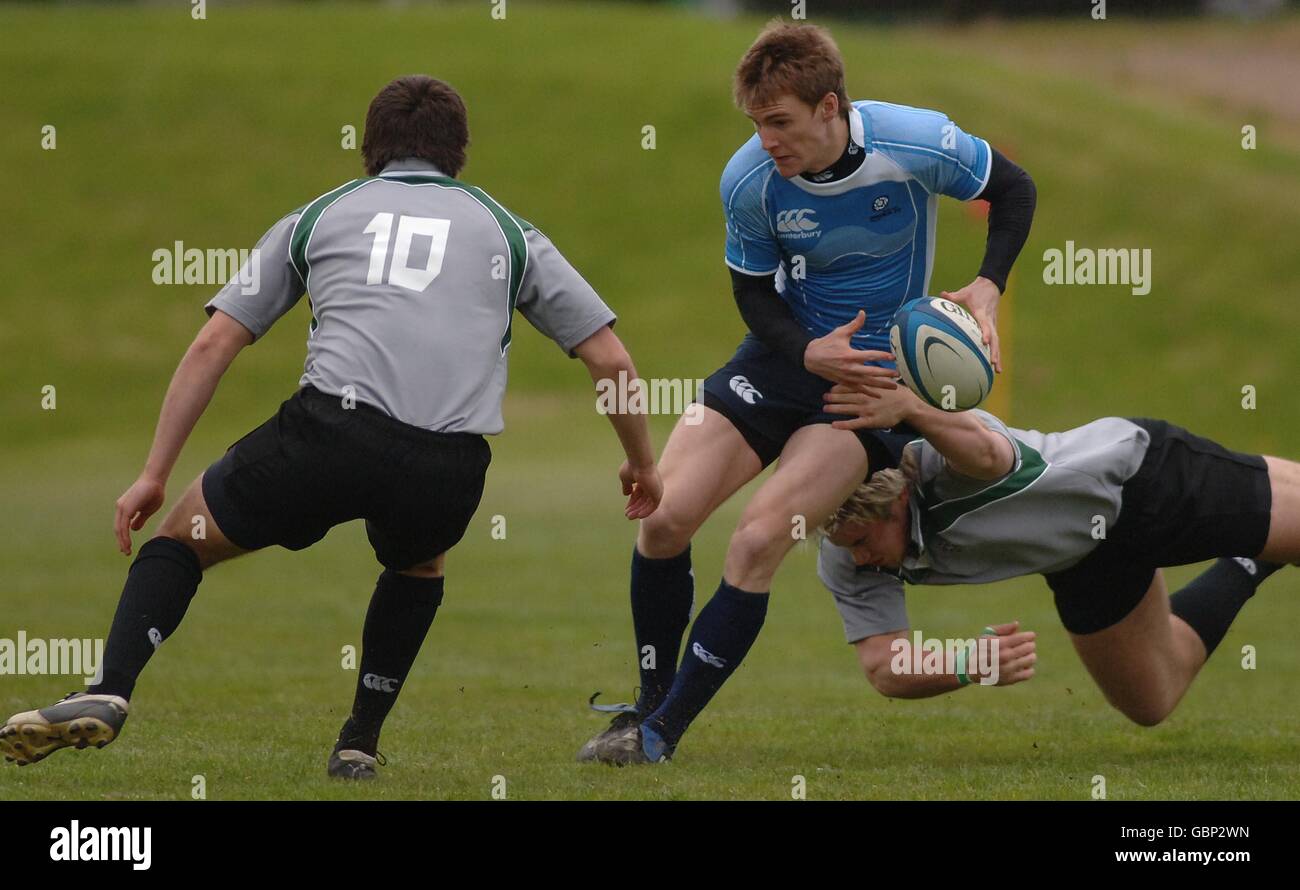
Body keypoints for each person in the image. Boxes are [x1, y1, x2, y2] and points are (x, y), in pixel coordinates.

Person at [0, 75, 661, 779]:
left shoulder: (321, 215)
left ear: (369, 149)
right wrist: (642, 463)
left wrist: (153, 474)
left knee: (180, 540)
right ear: (459, 152)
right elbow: (608, 355)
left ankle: (110, 687)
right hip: (447, 463)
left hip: (326, 436)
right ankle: (358, 742)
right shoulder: (509, 231)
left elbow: (213, 345)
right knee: (418, 563)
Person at [580, 19, 1036, 765]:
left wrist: (988, 286)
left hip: (869, 383)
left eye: (780, 122)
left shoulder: (913, 141)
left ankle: (659, 737)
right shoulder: (749, 181)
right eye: (757, 123)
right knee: (662, 521)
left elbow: (1014, 188)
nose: (767, 140)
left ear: (829, 107)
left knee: (759, 538)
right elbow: (753, 292)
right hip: (781, 355)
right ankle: (645, 703)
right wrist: (804, 349)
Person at [816, 379, 1294, 725]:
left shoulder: (943, 454)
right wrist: (963, 663)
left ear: (897, 497)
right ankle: (1250, 561)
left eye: (862, 541)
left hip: (1139, 481)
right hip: (1083, 563)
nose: (858, 559)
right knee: (1151, 699)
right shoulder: (844, 549)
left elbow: (989, 453)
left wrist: (913, 406)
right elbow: (883, 665)